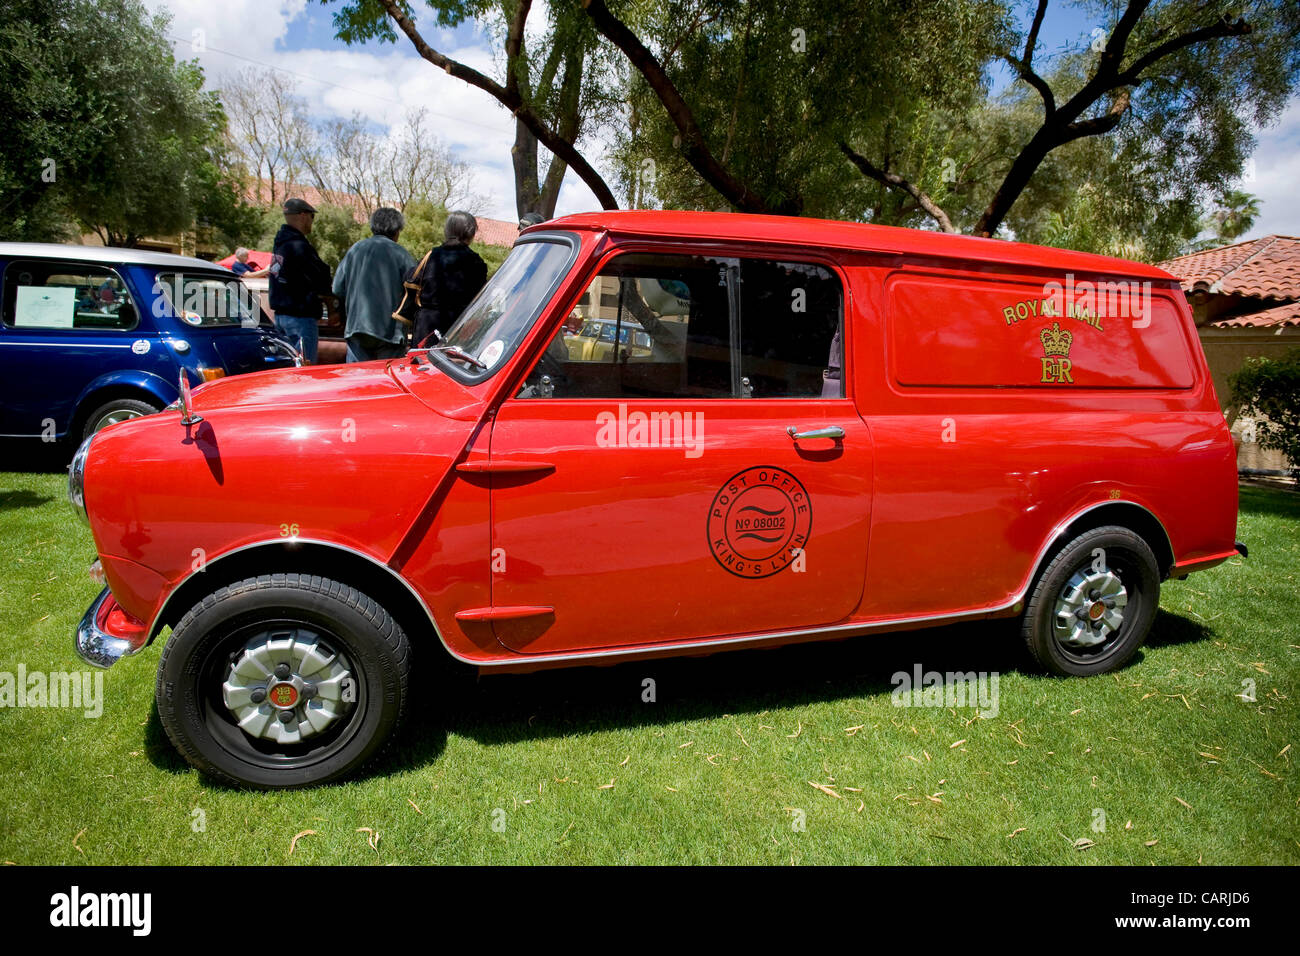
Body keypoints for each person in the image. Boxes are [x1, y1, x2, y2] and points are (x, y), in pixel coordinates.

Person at [333, 207, 417, 363]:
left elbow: (337, 288)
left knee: (358, 382)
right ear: (397, 231)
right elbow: (415, 291)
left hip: (357, 330)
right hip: (390, 334)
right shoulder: (402, 255)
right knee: (386, 384)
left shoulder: (355, 250)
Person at [410, 211, 488, 346]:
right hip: (458, 329)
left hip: (426, 327)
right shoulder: (477, 263)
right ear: (471, 233)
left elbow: (411, 283)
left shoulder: (431, 256)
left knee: (423, 365)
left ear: (447, 230)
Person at [268, 198, 332, 363]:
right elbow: (322, 279)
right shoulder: (299, 247)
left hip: (281, 318)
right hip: (300, 319)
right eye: (312, 217)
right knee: (303, 370)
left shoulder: (280, 244)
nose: (312, 222)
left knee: (286, 368)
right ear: (303, 215)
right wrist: (332, 307)